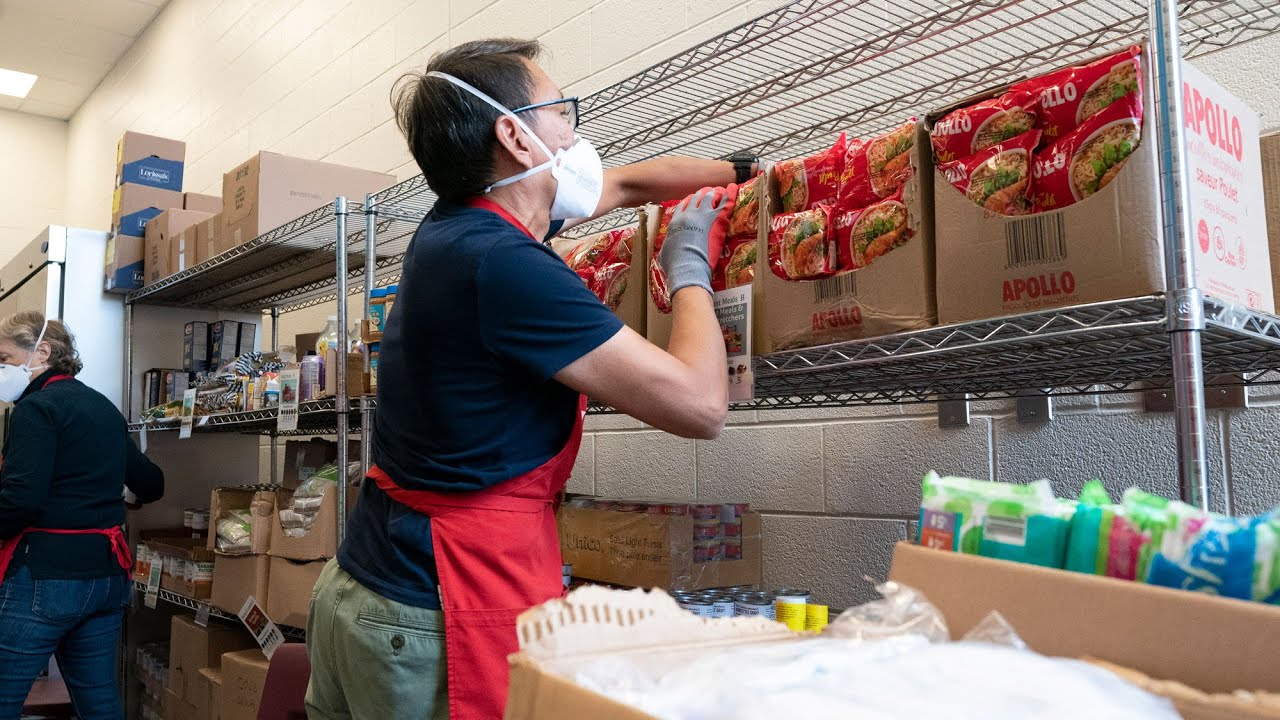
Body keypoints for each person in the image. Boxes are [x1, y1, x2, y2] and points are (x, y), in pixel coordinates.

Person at [306, 38, 757, 719]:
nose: (575, 133)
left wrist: (748, 175)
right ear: (515, 136)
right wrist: (687, 263)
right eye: (563, 112)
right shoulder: (504, 265)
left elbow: (628, 184)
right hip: (434, 606)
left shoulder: (457, 228)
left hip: (364, 590)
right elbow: (701, 405)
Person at [0, 312, 164, 719]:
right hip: (107, 578)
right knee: (98, 699)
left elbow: (21, 501)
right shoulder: (101, 406)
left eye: (3, 358)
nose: (0, 369)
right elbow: (152, 483)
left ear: (41, 352)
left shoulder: (35, 409)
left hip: (46, 580)